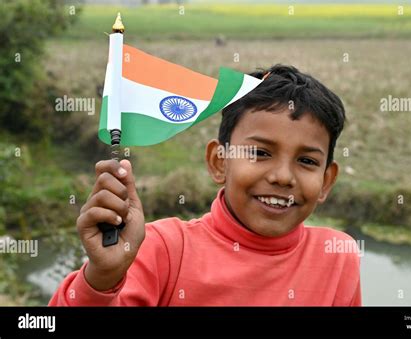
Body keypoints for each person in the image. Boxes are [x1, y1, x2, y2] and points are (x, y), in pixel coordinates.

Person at [49, 65, 361, 306]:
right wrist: (102, 278)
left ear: (326, 180)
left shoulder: (336, 256)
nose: (283, 176)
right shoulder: (161, 249)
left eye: (307, 161)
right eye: (260, 153)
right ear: (219, 161)